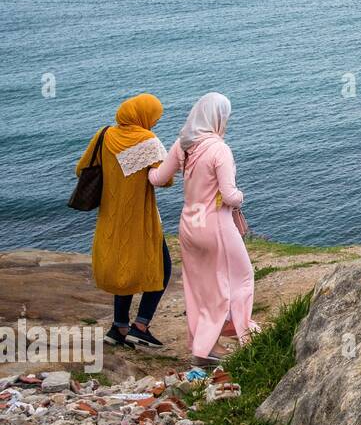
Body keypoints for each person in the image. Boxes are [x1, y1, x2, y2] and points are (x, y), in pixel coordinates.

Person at [149, 92, 256, 363]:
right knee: (241, 278)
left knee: (200, 288)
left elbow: (159, 178)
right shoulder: (219, 149)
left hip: (189, 226)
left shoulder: (182, 145)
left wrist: (142, 166)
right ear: (217, 117)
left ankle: (208, 345)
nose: (227, 122)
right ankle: (242, 333)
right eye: (226, 117)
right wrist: (242, 196)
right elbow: (230, 196)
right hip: (215, 226)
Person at [76, 93, 174, 349]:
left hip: (111, 217)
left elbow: (81, 169)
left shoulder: (105, 134)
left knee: (123, 267)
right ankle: (140, 327)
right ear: (143, 116)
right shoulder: (147, 141)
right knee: (163, 268)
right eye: (154, 117)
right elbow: (165, 179)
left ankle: (119, 327)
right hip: (140, 219)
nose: (154, 123)